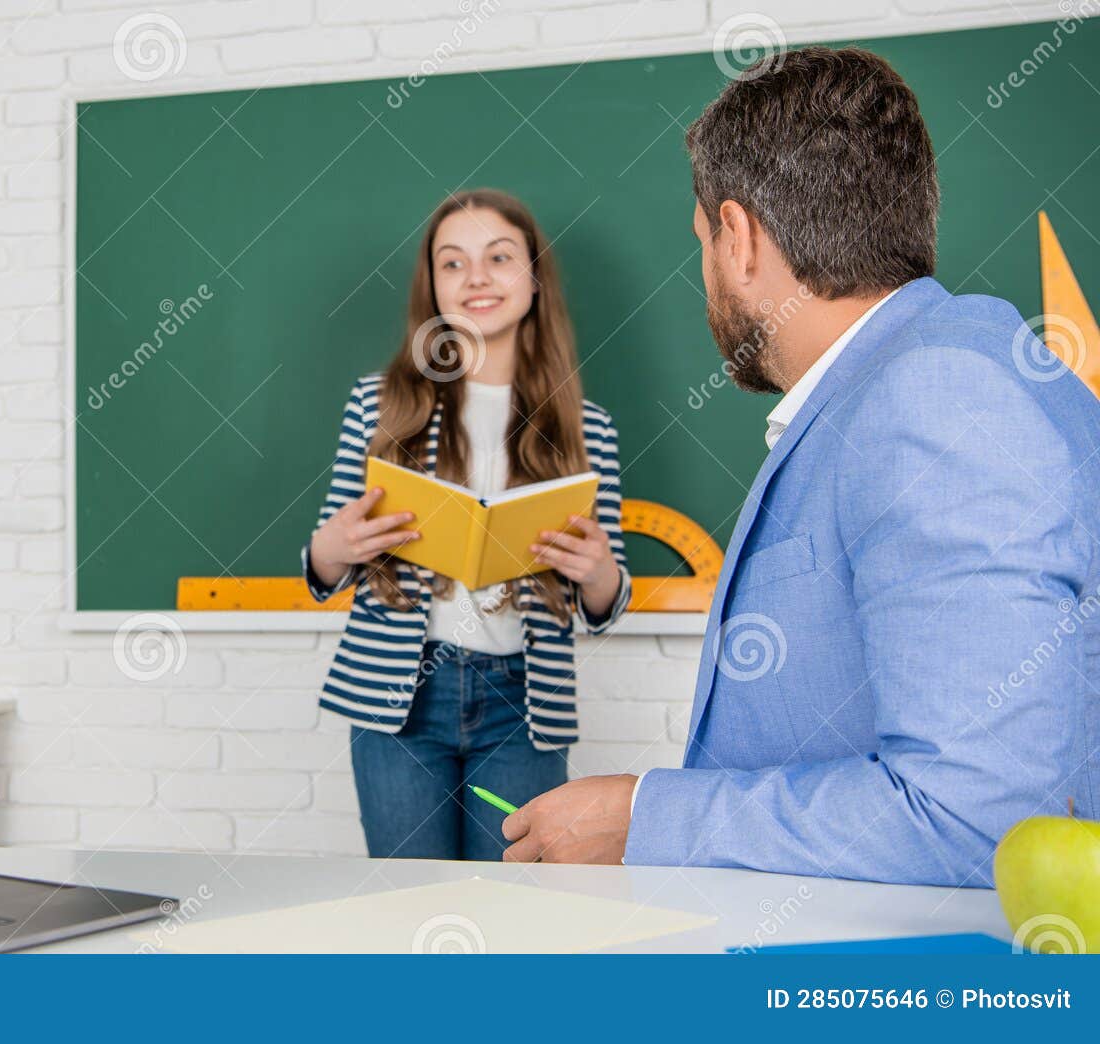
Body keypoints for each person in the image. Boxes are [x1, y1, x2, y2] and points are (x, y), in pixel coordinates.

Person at [499, 46, 1100, 886]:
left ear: (739, 238)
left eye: (703, 239)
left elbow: (979, 822)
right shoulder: (956, 367)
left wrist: (642, 818)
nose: (705, 272)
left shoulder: (936, 399)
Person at [302, 188, 632, 861]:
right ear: (433, 288)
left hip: (522, 706)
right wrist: (334, 546)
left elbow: (606, 604)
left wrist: (596, 571)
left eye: (499, 257)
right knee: (411, 906)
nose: (477, 278)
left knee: (515, 908)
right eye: (453, 263)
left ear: (535, 279)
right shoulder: (378, 404)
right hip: (399, 702)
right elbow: (324, 569)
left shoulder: (587, 428)